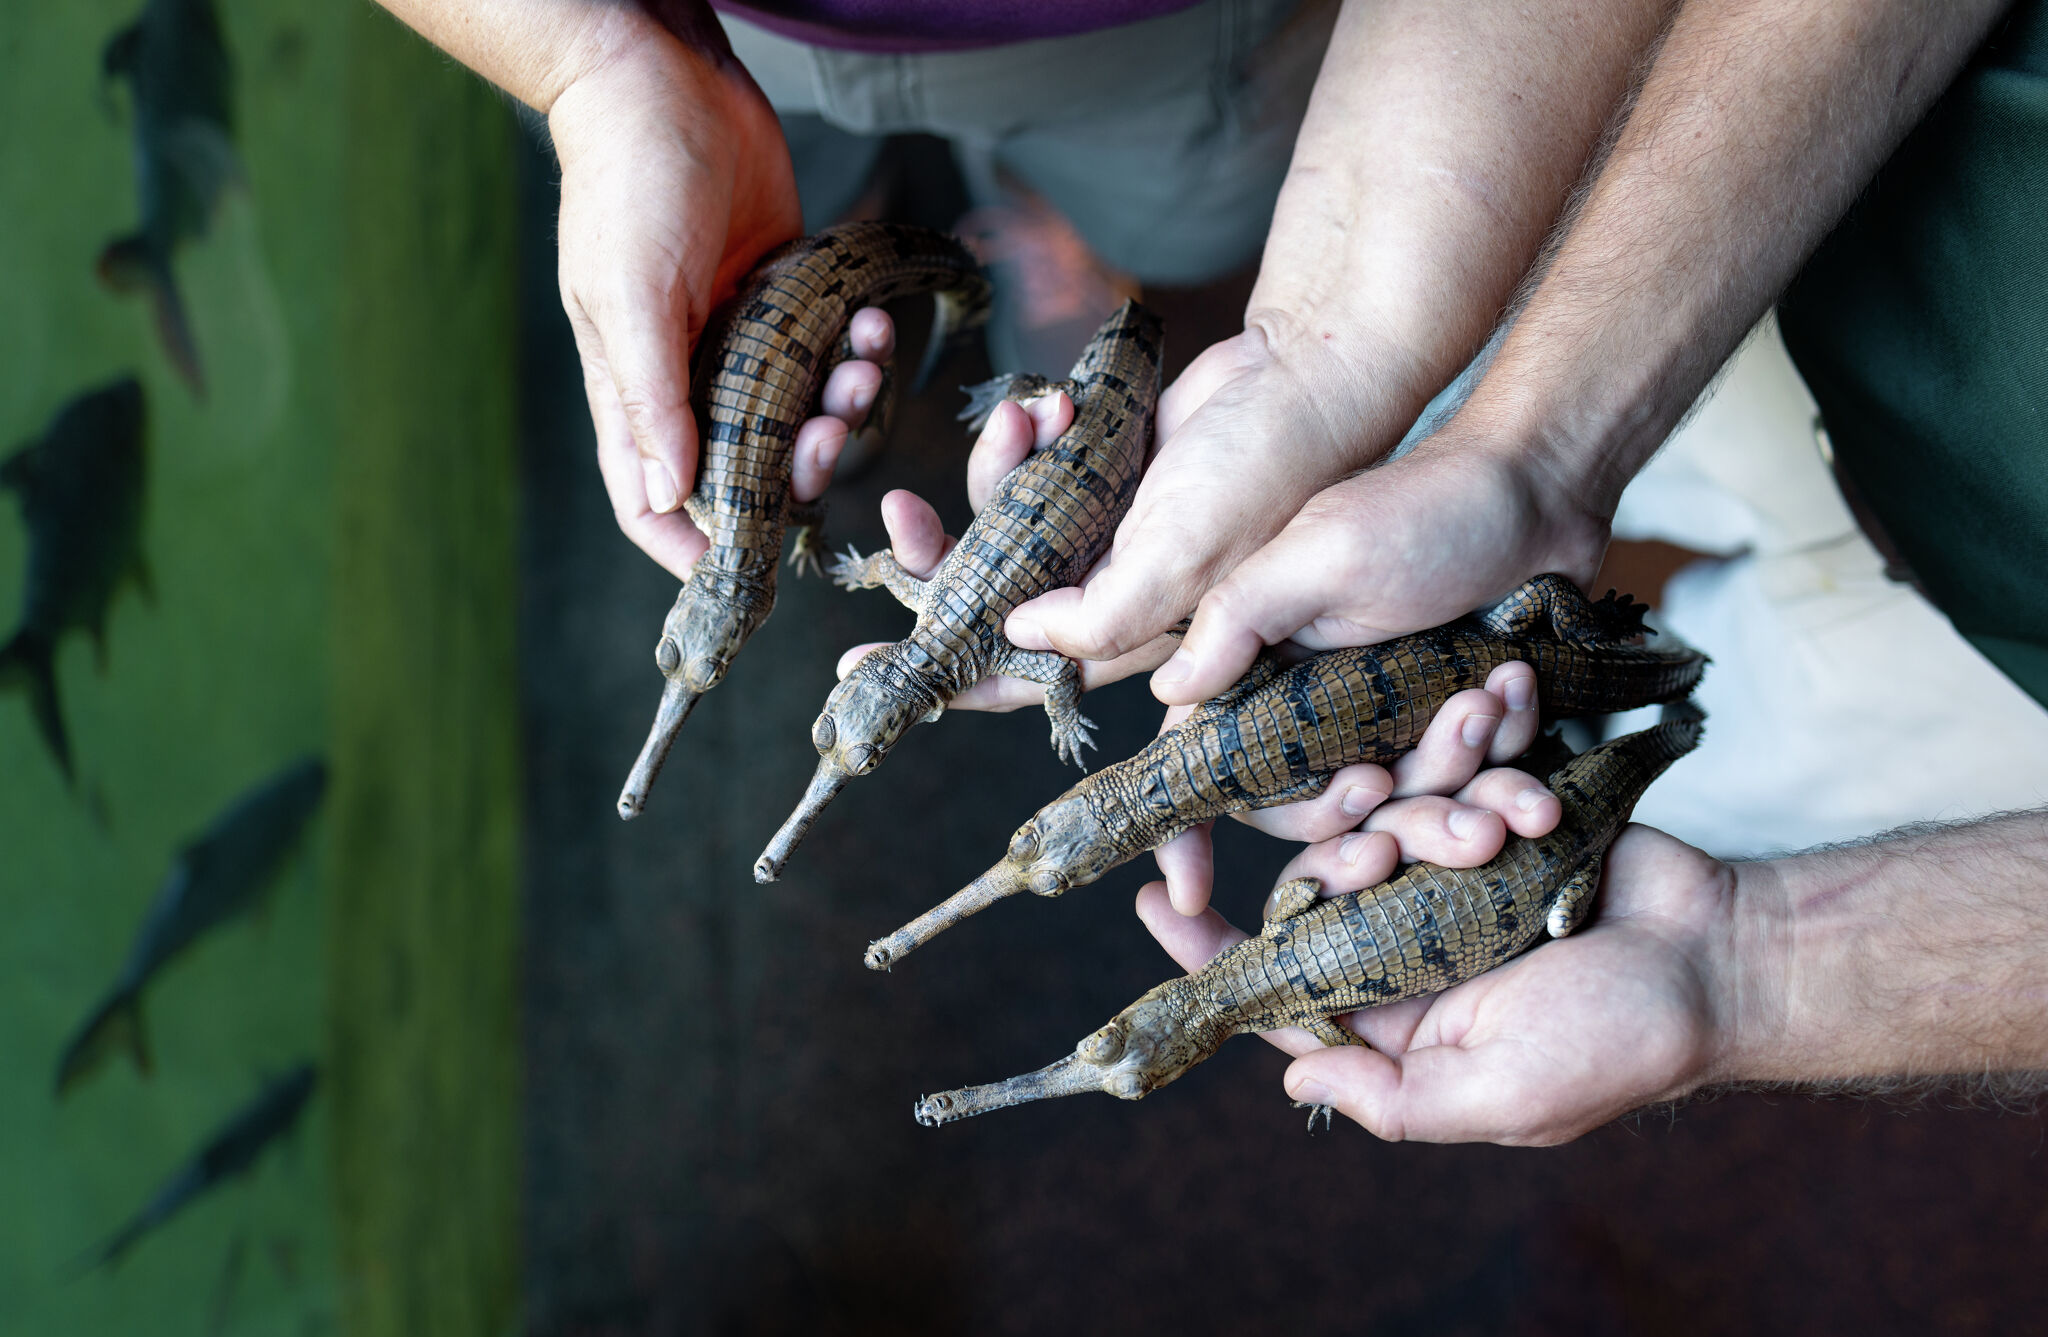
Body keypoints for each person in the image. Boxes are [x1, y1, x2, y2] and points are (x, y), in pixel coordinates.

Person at [381, 0, 2048, 1140]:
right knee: (1607, 665)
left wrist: (1764, 970)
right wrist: (1507, 441)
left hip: (1924, 547)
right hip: (1861, 262)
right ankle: (1650, 669)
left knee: (1657, 723)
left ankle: (1655, 682)